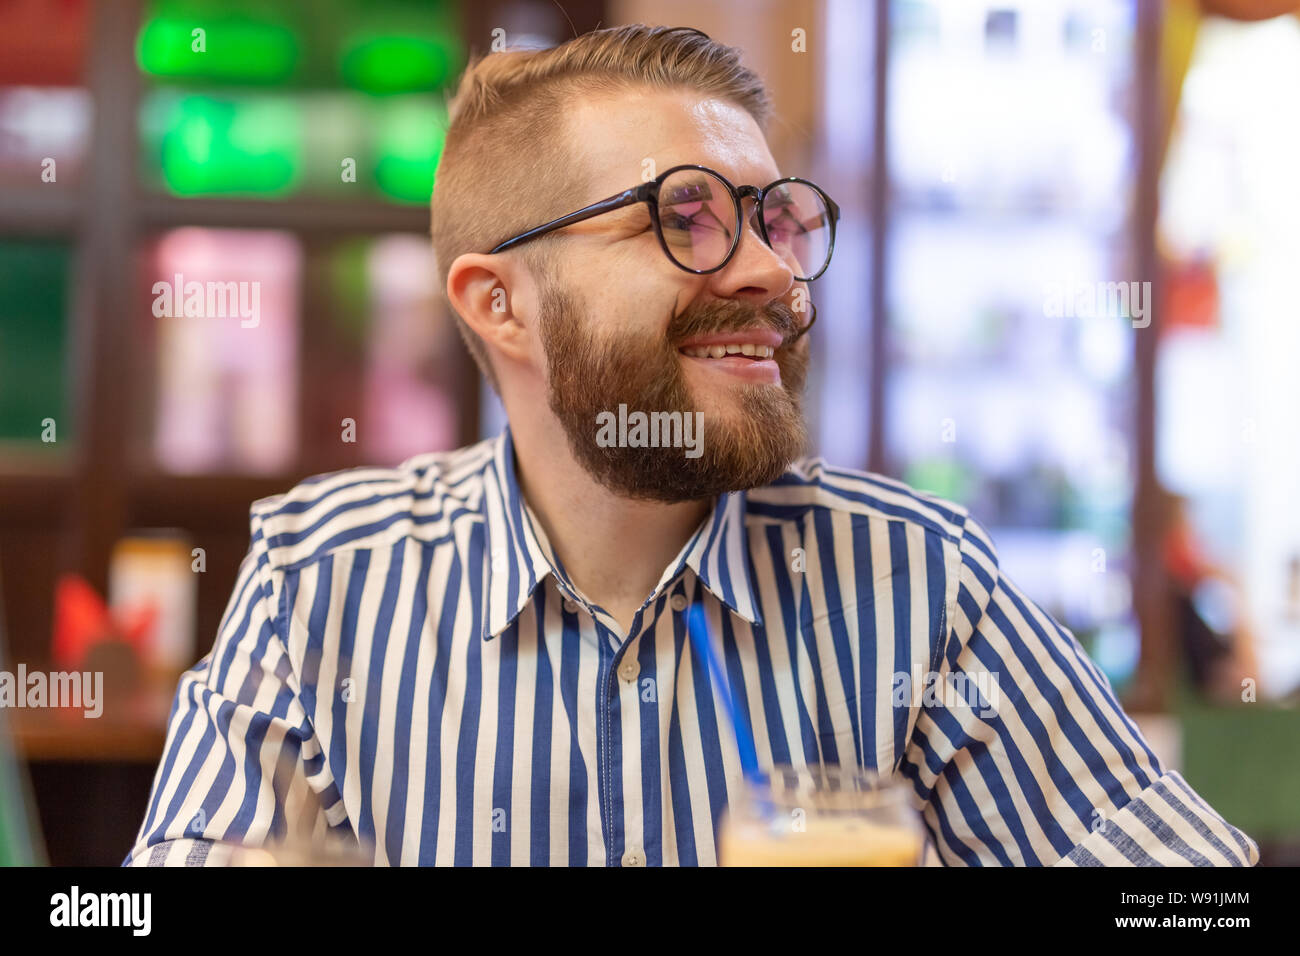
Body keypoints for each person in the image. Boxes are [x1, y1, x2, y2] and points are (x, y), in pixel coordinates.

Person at [125, 25, 1257, 867]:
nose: (770, 270)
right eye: (684, 216)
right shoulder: (323, 578)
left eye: (777, 219)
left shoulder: (913, 578)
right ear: (497, 302)